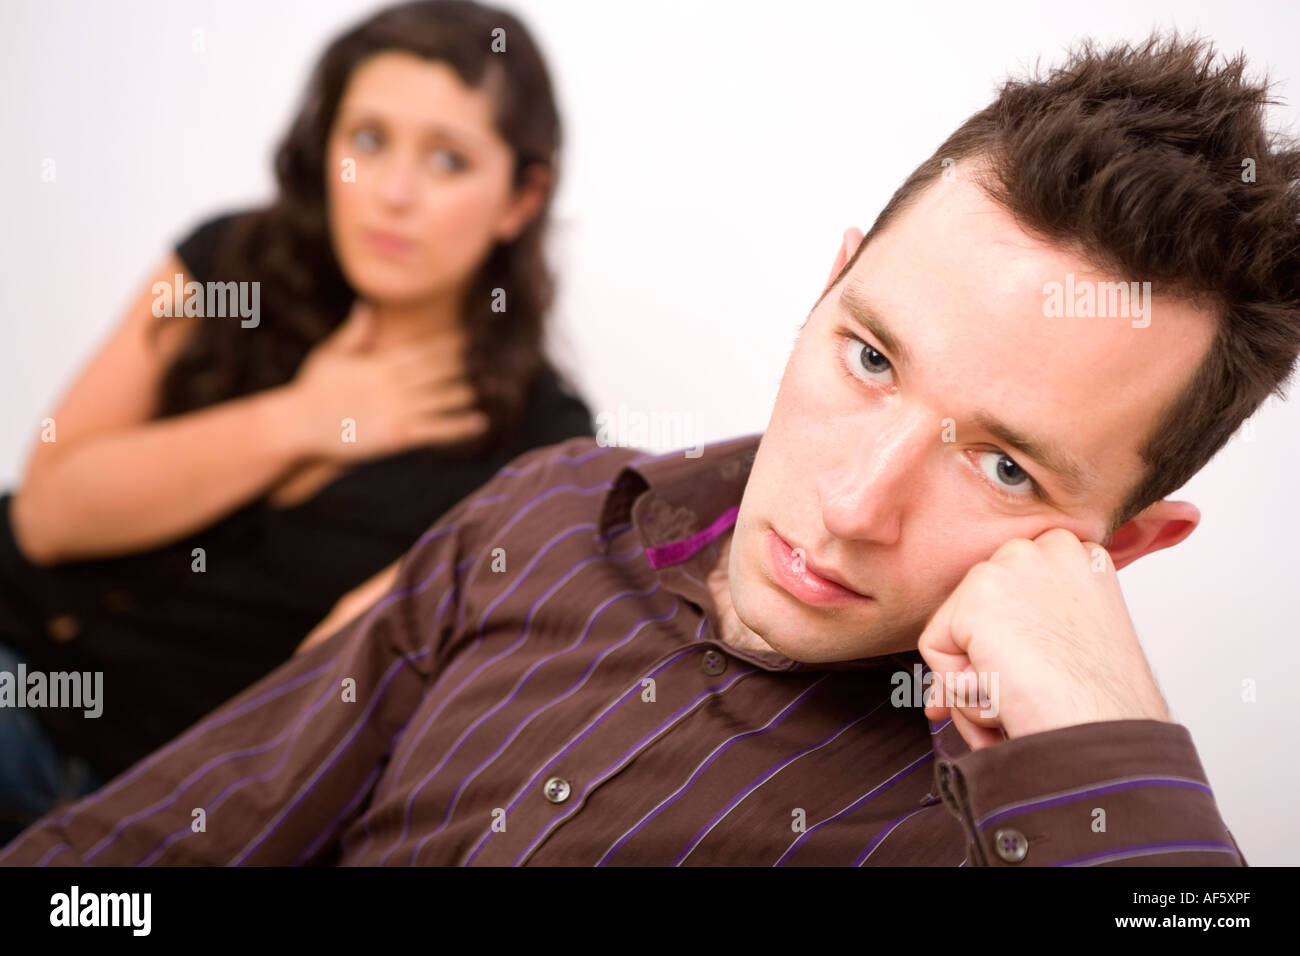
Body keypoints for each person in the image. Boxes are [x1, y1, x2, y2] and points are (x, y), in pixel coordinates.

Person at [4, 31, 1295, 866]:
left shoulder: (1003, 830)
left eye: (1004, 466)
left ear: (1122, 544)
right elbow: (155, 849)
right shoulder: (550, 513)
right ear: (830, 283)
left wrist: (1105, 740)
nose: (850, 508)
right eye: (871, 356)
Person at [0, 0, 593, 843]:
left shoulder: (542, 443)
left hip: (142, 803)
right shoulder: (227, 261)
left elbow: (330, 694)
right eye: (368, 140)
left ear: (519, 198)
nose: (392, 194)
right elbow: (47, 517)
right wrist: (308, 417)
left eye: (448, 159)